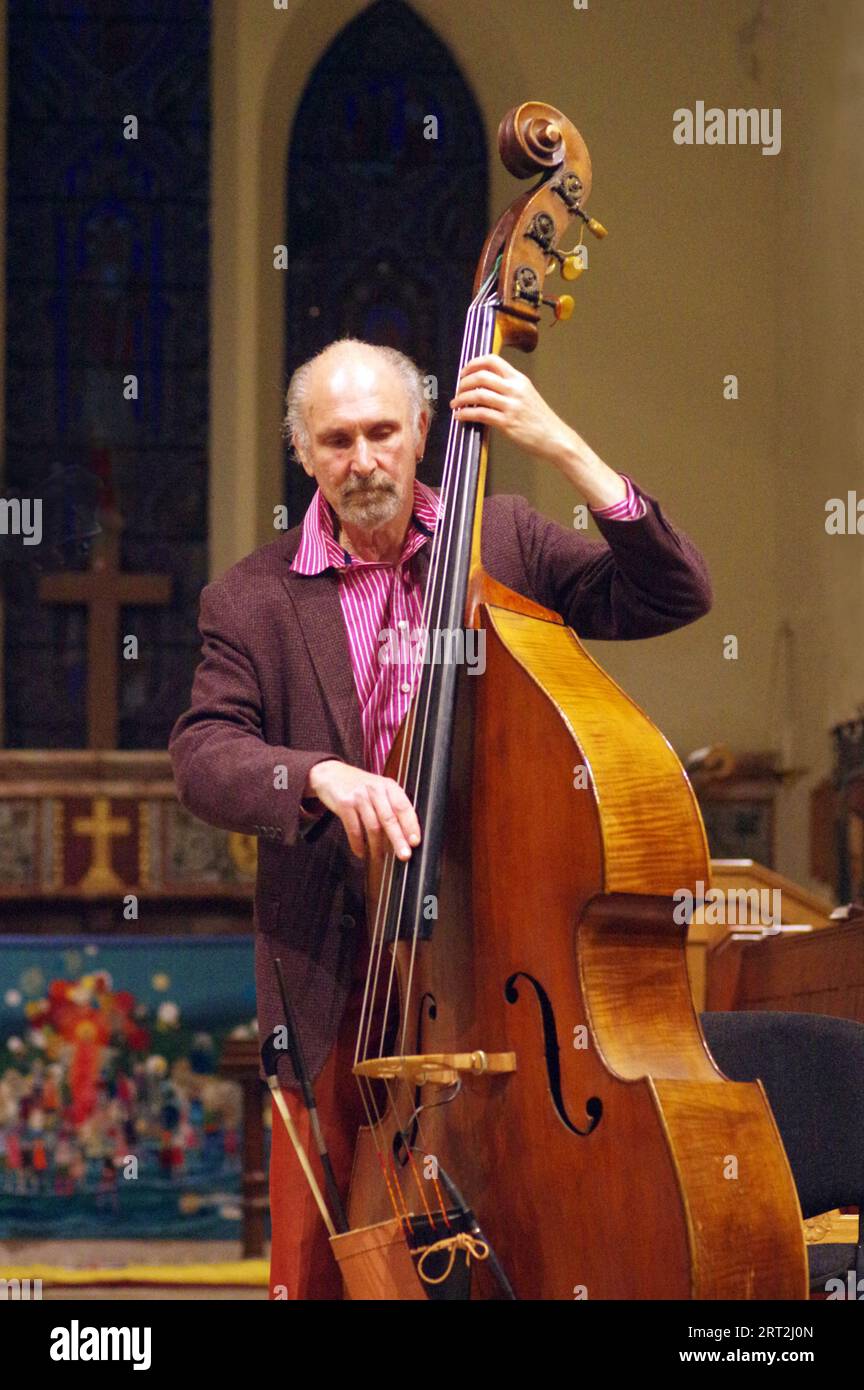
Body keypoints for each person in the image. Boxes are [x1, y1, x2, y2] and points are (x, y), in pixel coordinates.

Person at [169, 338, 712, 1298]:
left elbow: (674, 593)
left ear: (425, 429)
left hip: (501, 954)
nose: (364, 459)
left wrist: (562, 447)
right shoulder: (250, 600)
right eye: (337, 440)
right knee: (319, 1270)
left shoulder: (504, 539)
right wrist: (318, 775)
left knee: (528, 1237)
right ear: (303, 453)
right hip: (341, 974)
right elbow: (204, 757)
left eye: (384, 431)